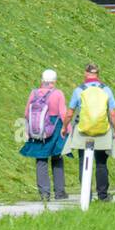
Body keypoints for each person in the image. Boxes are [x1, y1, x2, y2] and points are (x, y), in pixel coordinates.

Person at [65, 63, 115, 201]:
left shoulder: (79, 90)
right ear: (98, 74)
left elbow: (70, 113)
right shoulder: (106, 90)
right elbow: (112, 114)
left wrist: (64, 127)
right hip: (102, 131)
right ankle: (103, 196)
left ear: (85, 73)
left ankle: (86, 196)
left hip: (83, 131)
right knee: (101, 163)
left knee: (83, 162)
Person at [20, 68, 69, 200]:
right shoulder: (58, 94)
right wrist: (67, 128)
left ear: (42, 80)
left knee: (41, 160)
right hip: (55, 127)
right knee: (57, 158)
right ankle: (60, 192)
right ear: (54, 81)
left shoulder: (34, 93)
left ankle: (44, 193)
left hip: (38, 129)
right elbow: (63, 114)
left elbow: (26, 114)